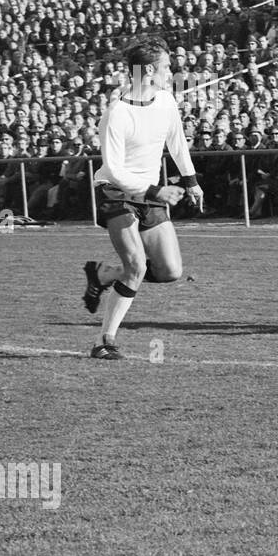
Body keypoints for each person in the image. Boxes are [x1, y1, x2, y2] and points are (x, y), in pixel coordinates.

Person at [81, 37, 203, 360]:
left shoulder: (165, 101)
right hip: (115, 191)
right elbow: (115, 170)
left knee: (170, 270)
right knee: (135, 266)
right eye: (167, 66)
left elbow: (177, 143)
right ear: (149, 70)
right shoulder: (117, 113)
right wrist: (156, 191)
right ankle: (103, 341)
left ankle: (104, 274)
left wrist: (191, 181)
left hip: (149, 193)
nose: (172, 71)